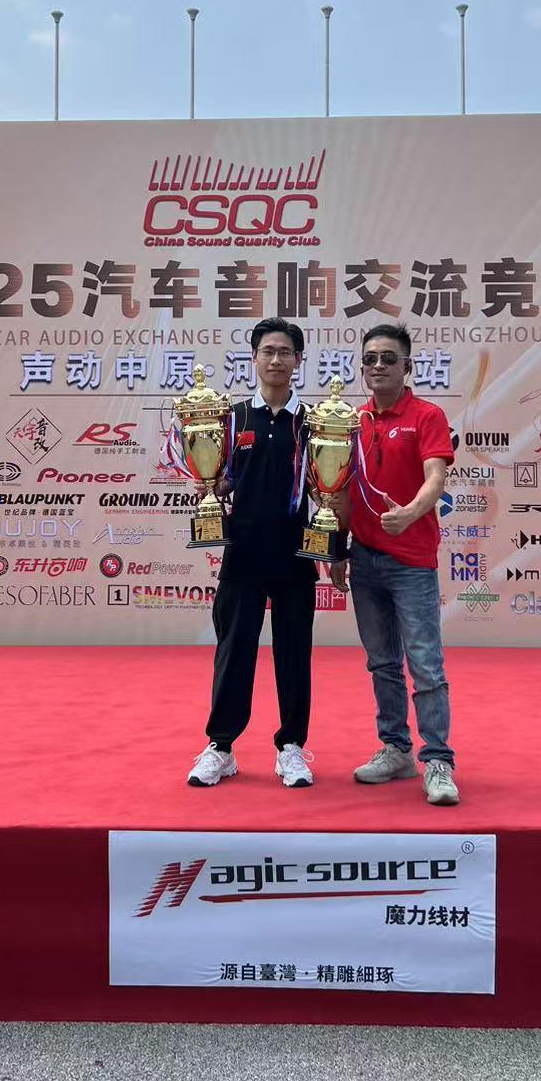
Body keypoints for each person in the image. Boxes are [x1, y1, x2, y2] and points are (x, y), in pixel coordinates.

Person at [329, 323, 459, 805]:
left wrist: (411, 513)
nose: (378, 365)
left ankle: (438, 759)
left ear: (407, 366)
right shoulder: (352, 421)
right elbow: (340, 491)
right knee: (382, 662)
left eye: (388, 358)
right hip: (365, 560)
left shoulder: (427, 415)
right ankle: (396, 749)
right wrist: (338, 548)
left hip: (411, 561)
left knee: (424, 664)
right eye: (370, 359)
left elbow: (435, 477)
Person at [187, 317, 318, 789]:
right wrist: (211, 485)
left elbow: (326, 490)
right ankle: (221, 747)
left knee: (294, 654)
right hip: (242, 553)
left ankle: (292, 747)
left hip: (295, 555)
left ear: (298, 360)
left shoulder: (315, 423)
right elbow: (222, 479)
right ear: (254, 358)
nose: (276, 360)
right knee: (234, 650)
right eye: (268, 351)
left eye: (285, 352)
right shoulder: (232, 418)